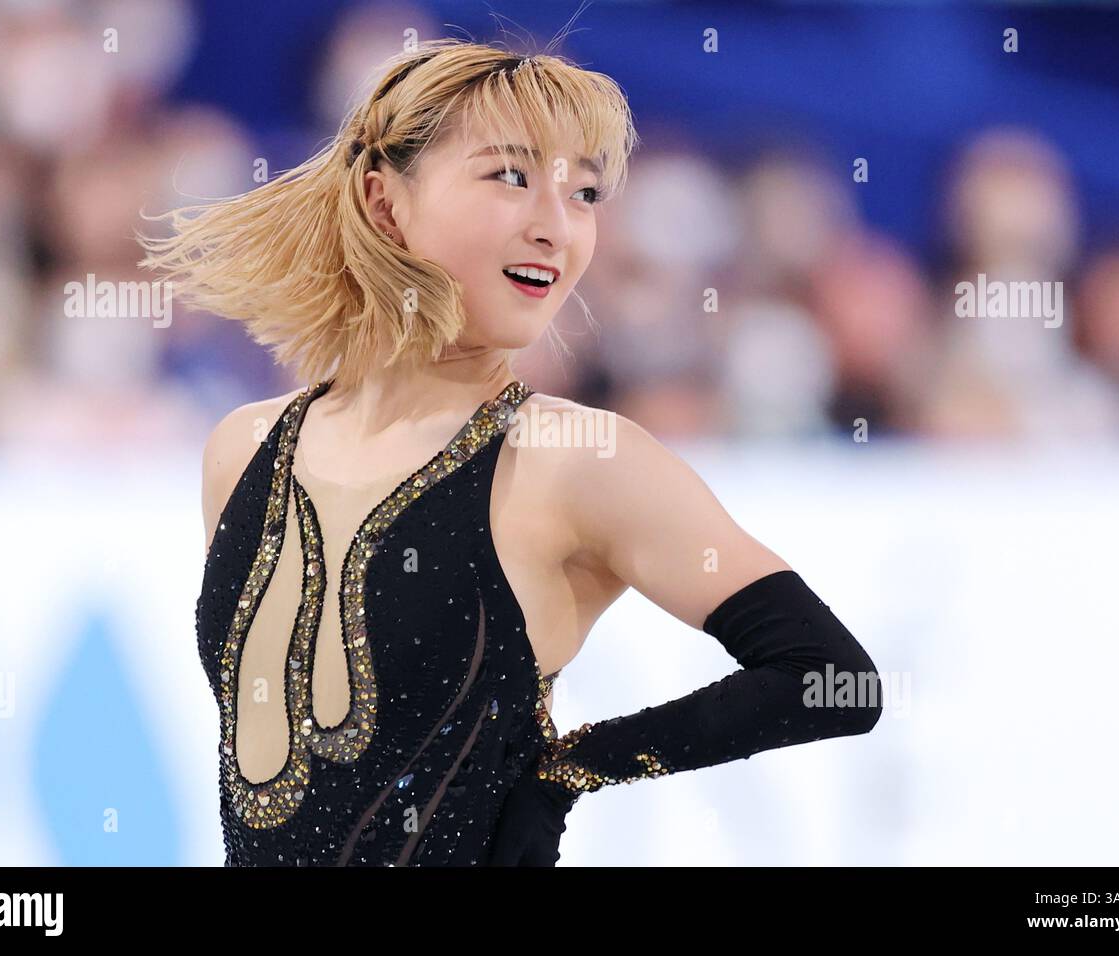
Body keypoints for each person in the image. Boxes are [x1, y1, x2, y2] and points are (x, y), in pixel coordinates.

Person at [138, 38, 882, 866]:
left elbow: (831, 679)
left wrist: (568, 772)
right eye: (512, 176)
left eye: (586, 192)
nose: (555, 227)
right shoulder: (243, 450)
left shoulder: (576, 459)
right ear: (387, 205)